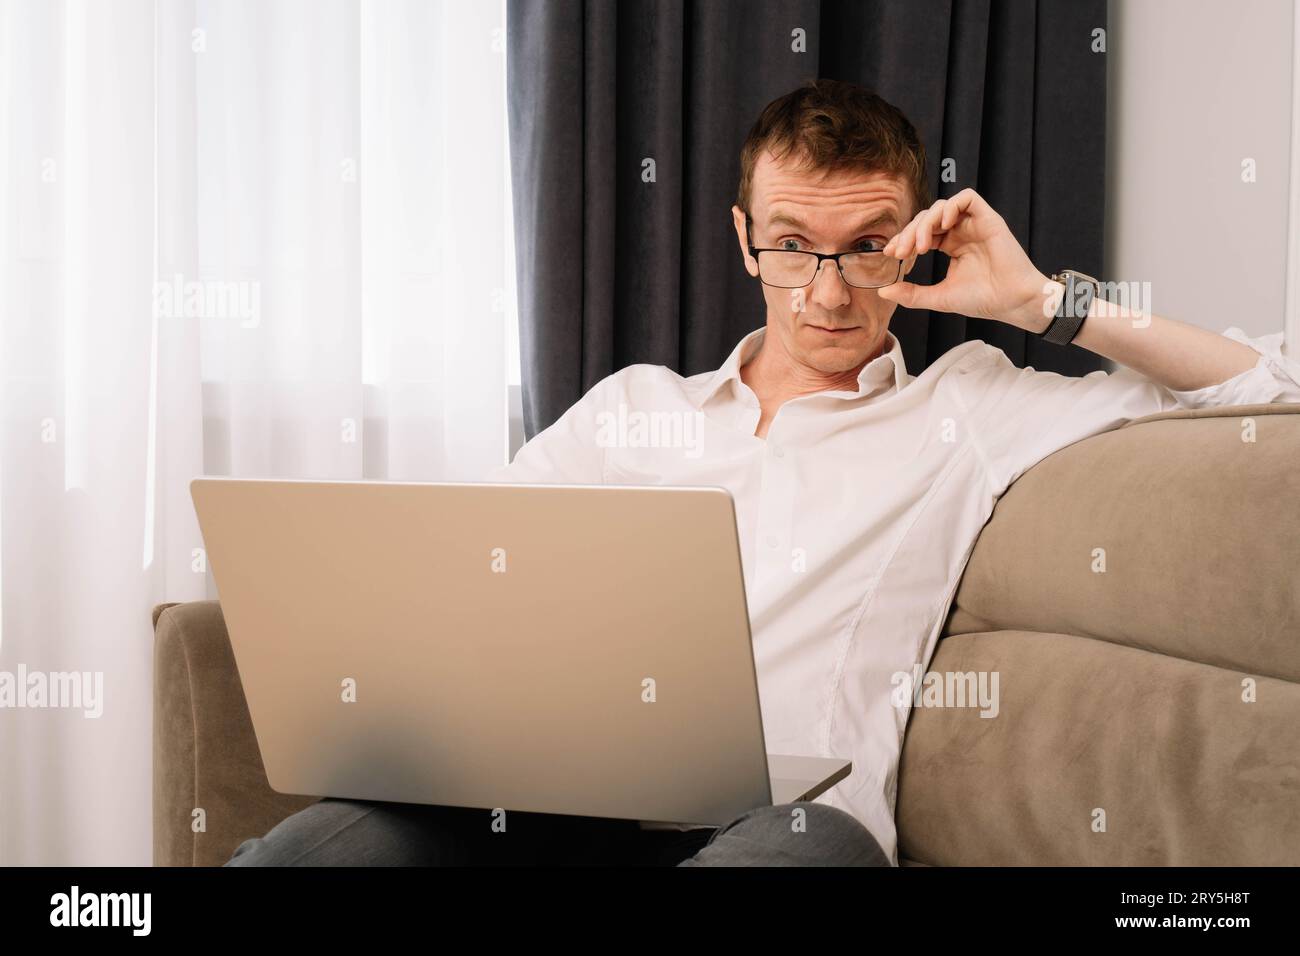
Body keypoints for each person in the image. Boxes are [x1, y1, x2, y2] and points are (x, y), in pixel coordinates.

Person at [227, 78, 1300, 867]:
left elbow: (1269, 386)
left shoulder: (969, 405)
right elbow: (466, 574)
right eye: (792, 245)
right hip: (560, 797)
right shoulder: (634, 409)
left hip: (793, 821)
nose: (827, 291)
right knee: (304, 857)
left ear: (915, 247)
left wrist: (1037, 302)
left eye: (867, 245)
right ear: (744, 242)